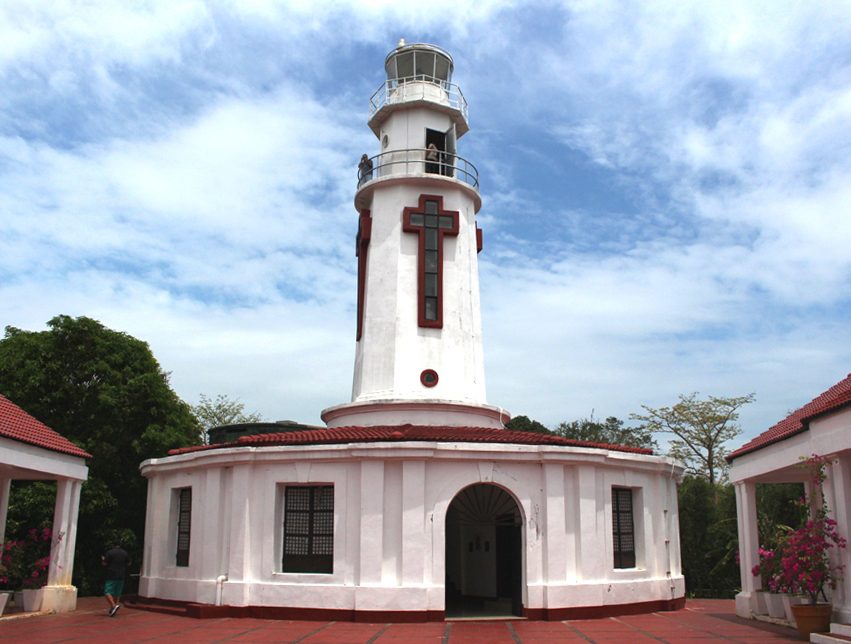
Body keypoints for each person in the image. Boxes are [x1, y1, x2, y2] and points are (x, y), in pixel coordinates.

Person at [102, 543, 130, 617]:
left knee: (107, 591)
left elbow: (104, 563)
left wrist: (103, 559)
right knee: (117, 592)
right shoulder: (124, 553)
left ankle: (113, 605)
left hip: (111, 574)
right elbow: (129, 563)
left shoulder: (110, 552)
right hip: (121, 575)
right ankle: (113, 608)